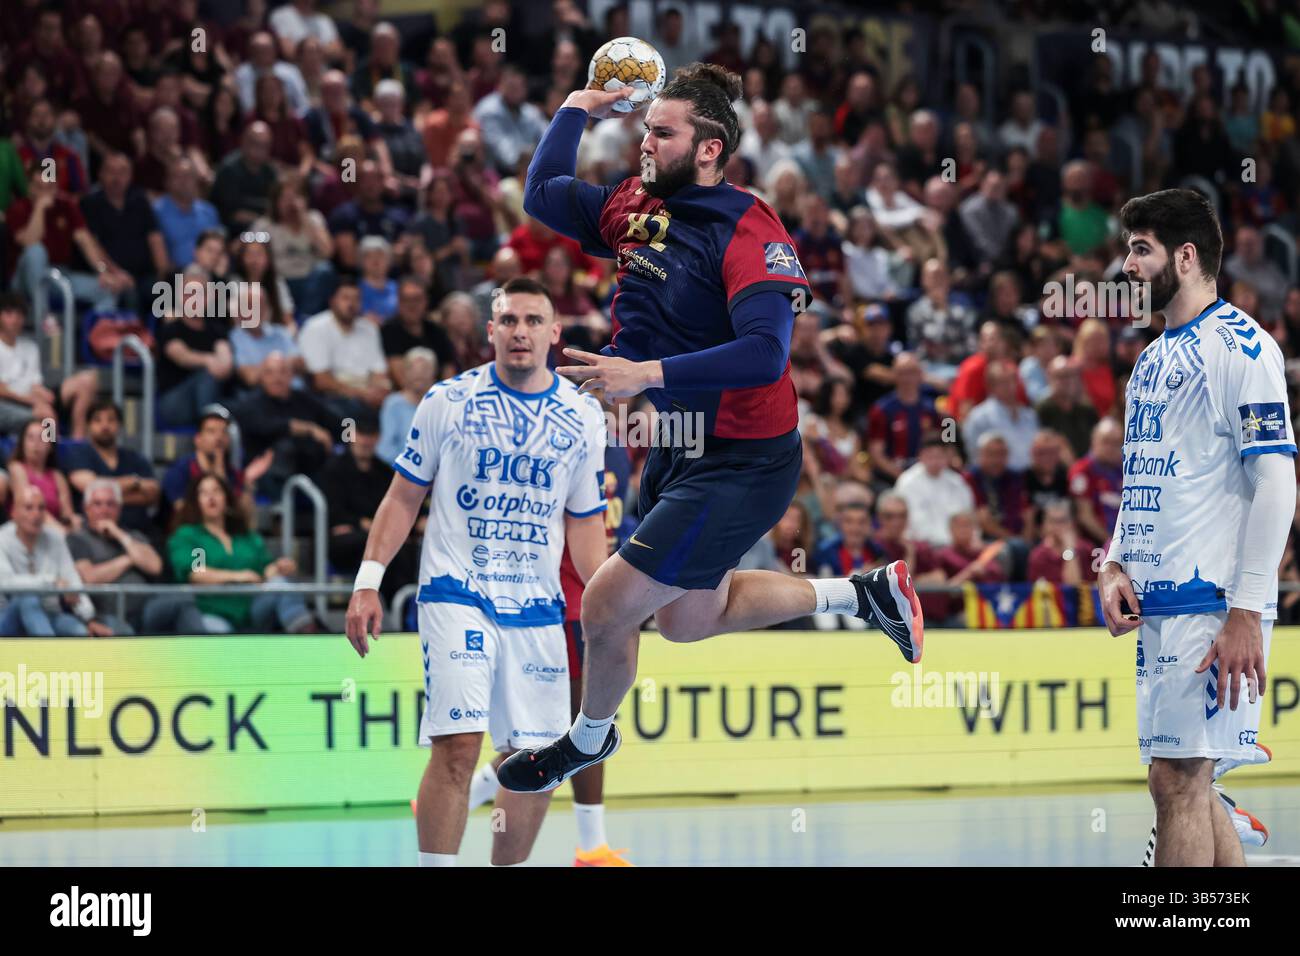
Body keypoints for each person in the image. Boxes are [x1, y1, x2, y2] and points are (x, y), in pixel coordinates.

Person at [460, 67, 923, 795]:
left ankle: (586, 738)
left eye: (661, 132)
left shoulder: (750, 227)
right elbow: (541, 193)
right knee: (682, 622)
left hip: (746, 457)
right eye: (645, 129)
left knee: (608, 604)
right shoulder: (633, 201)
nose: (645, 142)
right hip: (679, 446)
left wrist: (643, 376)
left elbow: (766, 353)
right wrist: (577, 107)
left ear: (708, 150)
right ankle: (864, 595)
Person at [343, 278, 610, 867]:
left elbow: (587, 524)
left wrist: (611, 601)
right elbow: (401, 498)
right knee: (459, 749)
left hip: (538, 608)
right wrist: (368, 581)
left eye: (533, 321)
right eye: (509, 320)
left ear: (554, 334)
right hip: (455, 593)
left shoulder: (584, 417)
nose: (520, 331)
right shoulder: (446, 400)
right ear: (490, 331)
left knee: (536, 759)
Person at [1101, 188, 1296, 867]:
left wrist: (1246, 608)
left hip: (1213, 604)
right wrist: (1113, 563)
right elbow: (1140, 474)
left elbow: (1276, 481)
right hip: (1160, 607)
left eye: (1139, 249)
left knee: (1178, 782)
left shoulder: (1243, 349)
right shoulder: (1151, 359)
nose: (1126, 265)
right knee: (1189, 784)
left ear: (1185, 257)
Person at [168, 473, 318, 634]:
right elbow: (198, 573)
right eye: (203, 493)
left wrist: (279, 567)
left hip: (252, 607)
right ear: (196, 502)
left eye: (217, 491)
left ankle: (308, 634)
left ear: (226, 498)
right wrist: (238, 576)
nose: (211, 497)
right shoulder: (193, 536)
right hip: (213, 611)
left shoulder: (245, 537)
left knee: (281, 584)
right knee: (219, 635)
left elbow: (264, 570)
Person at [69, 478, 207, 635]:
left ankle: (203, 655)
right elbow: (89, 578)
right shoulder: (77, 539)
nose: (105, 510)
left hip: (148, 609)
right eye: (98, 504)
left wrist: (119, 535)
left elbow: (156, 566)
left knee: (184, 601)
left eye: (110, 504)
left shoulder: (132, 535)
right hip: (109, 614)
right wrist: (130, 559)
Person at [319, 410, 419, 606]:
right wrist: (361, 523)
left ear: (378, 437)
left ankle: (400, 608)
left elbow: (397, 506)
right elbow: (332, 513)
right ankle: (389, 606)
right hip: (347, 540)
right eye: (361, 434)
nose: (365, 440)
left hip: (375, 534)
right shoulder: (333, 469)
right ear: (352, 435)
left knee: (405, 547)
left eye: (370, 435)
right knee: (367, 543)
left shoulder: (385, 471)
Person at [0, 487, 112, 637]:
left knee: (79, 632)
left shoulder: (55, 538)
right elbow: (6, 582)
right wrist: (51, 582)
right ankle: (49, 655)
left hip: (50, 613)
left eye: (41, 508)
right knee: (28, 599)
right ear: (14, 513)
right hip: (7, 616)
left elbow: (72, 579)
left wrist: (89, 618)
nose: (36, 514)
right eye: (29, 508)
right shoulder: (2, 538)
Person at [0, 293, 99, 441]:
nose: (14, 320)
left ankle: (78, 441)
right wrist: (31, 401)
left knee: (87, 380)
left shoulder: (30, 347)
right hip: (7, 403)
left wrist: (42, 394)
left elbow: (35, 383)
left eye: (19, 315)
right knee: (48, 416)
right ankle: (51, 451)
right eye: (9, 314)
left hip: (31, 398)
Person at [64, 398, 160, 535]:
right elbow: (90, 486)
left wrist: (102, 498)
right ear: (88, 426)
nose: (105, 426)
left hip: (138, 532)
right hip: (93, 535)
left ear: (120, 425)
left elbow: (153, 493)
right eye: (97, 420)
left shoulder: (135, 458)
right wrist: (134, 482)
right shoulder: (79, 454)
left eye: (111, 420)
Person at [7, 418, 78, 533]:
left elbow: (67, 513)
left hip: (56, 533)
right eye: (30, 438)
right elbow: (30, 506)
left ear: (50, 445)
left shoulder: (57, 476)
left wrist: (73, 526)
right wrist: (61, 532)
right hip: (26, 531)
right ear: (22, 444)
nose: (36, 443)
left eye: (42, 438)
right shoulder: (17, 469)